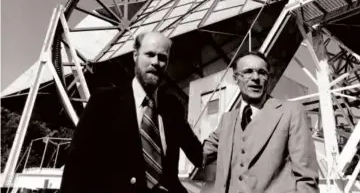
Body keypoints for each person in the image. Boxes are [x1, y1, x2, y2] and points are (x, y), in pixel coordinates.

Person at [60, 32, 203, 193]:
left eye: (162, 58)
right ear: (135, 55)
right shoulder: (105, 101)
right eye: (149, 54)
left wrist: (230, 125)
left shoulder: (172, 106)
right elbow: (76, 165)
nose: (156, 62)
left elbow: (198, 154)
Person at [202, 51, 319, 193]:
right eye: (248, 72)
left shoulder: (291, 111)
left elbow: (306, 178)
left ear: (268, 78)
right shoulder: (227, 120)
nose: (256, 78)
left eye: (262, 72)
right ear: (235, 78)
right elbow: (201, 153)